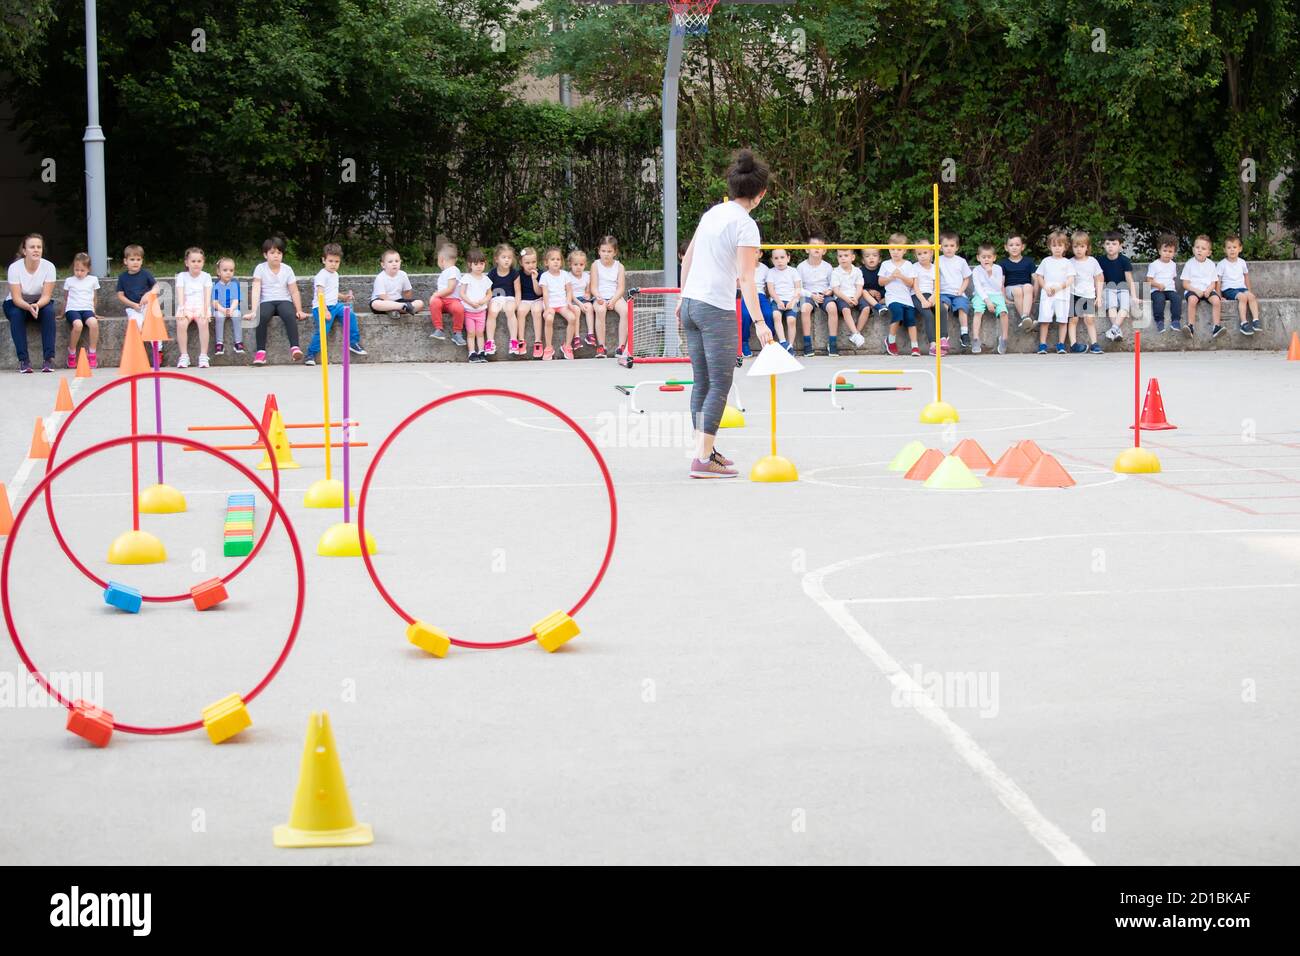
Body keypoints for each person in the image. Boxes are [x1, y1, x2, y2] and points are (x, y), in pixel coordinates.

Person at [677, 148, 771, 479]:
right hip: (714, 309)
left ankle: (704, 451)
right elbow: (746, 278)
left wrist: (681, 296)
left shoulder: (713, 214)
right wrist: (759, 321)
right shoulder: (746, 226)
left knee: (701, 382)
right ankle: (702, 459)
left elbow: (687, 258)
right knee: (720, 383)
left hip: (690, 304)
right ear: (760, 194)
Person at [246, 236, 307, 365]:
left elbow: (294, 291)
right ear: (265, 254)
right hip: (267, 301)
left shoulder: (287, 269)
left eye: (279, 253)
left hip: (284, 300)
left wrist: (299, 310)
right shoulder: (260, 268)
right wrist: (253, 310)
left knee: (290, 315)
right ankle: (261, 352)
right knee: (261, 316)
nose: (276, 256)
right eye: (272, 253)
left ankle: (295, 348)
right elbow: (256, 289)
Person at [6, 233, 58, 372]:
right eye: (32, 247)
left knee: (49, 312)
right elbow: (16, 298)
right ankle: (24, 361)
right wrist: (28, 307)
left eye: (39, 247)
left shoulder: (49, 267)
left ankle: (48, 360)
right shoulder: (14, 268)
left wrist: (37, 305)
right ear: (24, 251)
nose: (36, 250)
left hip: (39, 302)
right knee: (16, 315)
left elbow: (47, 296)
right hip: (18, 303)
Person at [304, 242, 362, 365]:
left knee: (349, 314)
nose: (333, 264)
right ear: (323, 260)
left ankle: (353, 342)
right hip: (321, 306)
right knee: (323, 331)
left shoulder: (335, 274)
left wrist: (344, 297)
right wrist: (325, 311)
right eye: (330, 261)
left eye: (336, 262)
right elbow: (321, 294)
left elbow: (332, 292)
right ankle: (310, 354)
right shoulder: (322, 275)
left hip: (335, 305)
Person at [1034, 231, 1075, 353]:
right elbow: (1039, 276)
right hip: (1047, 295)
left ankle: (1061, 344)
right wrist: (1045, 287)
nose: (1057, 248)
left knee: (1062, 320)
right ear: (1049, 247)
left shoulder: (1067, 262)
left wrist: (1060, 287)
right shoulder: (1046, 261)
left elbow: (1070, 279)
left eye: (1060, 245)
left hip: (1062, 296)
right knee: (1045, 320)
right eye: (1054, 245)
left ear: (1065, 247)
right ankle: (1042, 344)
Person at [878, 234, 920, 356]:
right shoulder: (886, 264)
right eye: (892, 249)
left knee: (911, 320)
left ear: (905, 250)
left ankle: (915, 346)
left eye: (899, 249)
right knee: (897, 313)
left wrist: (901, 276)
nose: (895, 252)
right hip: (892, 298)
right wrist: (891, 277)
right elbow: (880, 282)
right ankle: (890, 341)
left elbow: (911, 283)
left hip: (906, 298)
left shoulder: (908, 265)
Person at [174, 246, 212, 369]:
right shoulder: (182, 276)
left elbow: (207, 295)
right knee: (181, 323)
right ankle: (184, 356)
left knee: (203, 322)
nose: (196, 264)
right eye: (193, 261)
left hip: (201, 306)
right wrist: (182, 308)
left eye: (199, 261)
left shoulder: (206, 276)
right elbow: (180, 294)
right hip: (187, 307)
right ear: (187, 263)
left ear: (203, 262)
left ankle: (203, 355)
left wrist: (206, 310)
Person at [796, 236, 832, 357]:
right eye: (814, 245)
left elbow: (833, 284)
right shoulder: (801, 267)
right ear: (807, 249)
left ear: (824, 250)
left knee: (832, 307)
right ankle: (807, 344)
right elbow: (798, 288)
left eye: (820, 245)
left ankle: (832, 343)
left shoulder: (827, 266)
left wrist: (829, 291)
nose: (817, 248)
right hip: (808, 294)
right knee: (805, 308)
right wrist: (811, 295)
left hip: (823, 294)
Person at [537, 246, 576, 360]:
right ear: (546, 262)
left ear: (561, 262)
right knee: (549, 319)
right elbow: (545, 293)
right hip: (550, 305)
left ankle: (567, 346)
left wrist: (568, 302)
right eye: (552, 259)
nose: (555, 261)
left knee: (572, 318)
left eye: (558, 259)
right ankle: (549, 347)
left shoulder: (564, 274)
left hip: (562, 304)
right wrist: (547, 307)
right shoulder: (545, 276)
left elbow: (569, 290)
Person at [969, 243, 1009, 354]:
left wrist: (990, 273)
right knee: (978, 311)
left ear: (994, 258)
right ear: (978, 258)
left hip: (996, 294)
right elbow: (978, 287)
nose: (986, 259)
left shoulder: (998, 269)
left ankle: (1004, 338)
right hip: (980, 295)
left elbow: (998, 286)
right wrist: (987, 301)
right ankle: (976, 339)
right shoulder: (976, 270)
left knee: (1003, 312)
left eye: (989, 257)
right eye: (983, 257)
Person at [62, 252, 100, 368]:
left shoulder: (93, 280)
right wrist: (61, 313)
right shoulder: (69, 281)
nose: (79, 273)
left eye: (82, 270)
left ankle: (92, 353)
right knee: (78, 325)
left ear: (88, 269)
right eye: (76, 270)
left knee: (93, 323)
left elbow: (94, 297)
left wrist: (94, 312)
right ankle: (72, 352)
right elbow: (66, 298)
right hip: (72, 309)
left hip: (87, 309)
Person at [1218, 235, 1261, 335]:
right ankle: (1243, 323)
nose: (1232, 250)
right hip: (1229, 289)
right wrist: (1219, 295)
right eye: (1229, 248)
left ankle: (1255, 320)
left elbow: (1246, 277)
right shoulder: (1222, 264)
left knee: (1251, 296)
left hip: (1241, 288)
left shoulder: (1242, 262)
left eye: (1234, 247)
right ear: (1224, 250)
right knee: (1242, 297)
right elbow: (1218, 281)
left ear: (1240, 248)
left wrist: (1248, 290)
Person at [937, 232, 973, 351]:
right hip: (943, 292)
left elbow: (966, 278)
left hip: (958, 293)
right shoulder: (938, 260)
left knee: (962, 307)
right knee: (944, 307)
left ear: (957, 247)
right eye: (946, 246)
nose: (949, 248)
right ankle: (944, 335)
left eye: (952, 246)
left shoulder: (961, 261)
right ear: (940, 247)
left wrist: (961, 290)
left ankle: (964, 334)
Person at [1180, 234, 1222, 338]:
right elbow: (1185, 284)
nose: (1199, 250)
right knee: (1192, 300)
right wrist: (1195, 290)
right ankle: (1190, 326)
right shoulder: (1189, 264)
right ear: (1193, 249)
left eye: (1203, 249)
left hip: (1207, 290)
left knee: (1216, 301)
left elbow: (1214, 282)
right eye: (1197, 247)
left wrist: (1209, 290)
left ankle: (1216, 327)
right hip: (1193, 289)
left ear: (1209, 253)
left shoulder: (1211, 264)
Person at [1099, 231, 1136, 342]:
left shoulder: (1124, 260)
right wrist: (1099, 295)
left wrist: (1133, 296)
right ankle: (1117, 330)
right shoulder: (1101, 261)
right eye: (1108, 244)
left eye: (1114, 244)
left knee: (1125, 306)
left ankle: (1113, 329)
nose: (1111, 246)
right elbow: (1099, 279)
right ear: (1103, 245)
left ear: (1120, 246)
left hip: (1123, 288)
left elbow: (1129, 280)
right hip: (1108, 288)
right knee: (1112, 306)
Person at [591, 236, 625, 359]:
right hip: (600, 296)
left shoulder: (619, 266)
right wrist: (598, 297)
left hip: (615, 297)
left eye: (609, 251)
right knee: (600, 310)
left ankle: (621, 346)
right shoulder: (595, 265)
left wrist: (614, 300)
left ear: (615, 252)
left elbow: (621, 288)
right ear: (599, 251)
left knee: (626, 311)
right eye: (603, 251)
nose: (606, 254)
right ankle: (601, 346)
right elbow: (593, 286)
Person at [828, 248, 865, 354]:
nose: (843, 258)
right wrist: (847, 299)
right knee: (845, 310)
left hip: (855, 296)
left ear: (852, 257)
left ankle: (856, 333)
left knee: (866, 308)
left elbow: (859, 287)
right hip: (842, 297)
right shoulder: (836, 272)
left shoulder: (857, 271)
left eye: (846, 255)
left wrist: (856, 298)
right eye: (840, 256)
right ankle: (856, 334)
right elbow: (836, 290)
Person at [459, 248, 493, 362]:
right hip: (469, 311)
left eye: (482, 263)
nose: (479, 266)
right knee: (471, 333)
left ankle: (481, 352)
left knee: (480, 333)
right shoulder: (466, 278)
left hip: (481, 312)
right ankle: (472, 353)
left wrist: (484, 301)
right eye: (476, 264)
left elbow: (489, 293)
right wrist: (471, 302)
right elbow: (462, 293)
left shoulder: (486, 279)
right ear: (470, 265)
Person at [998, 234, 1036, 331]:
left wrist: (1035, 295)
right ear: (1006, 248)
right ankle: (1025, 318)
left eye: (1017, 245)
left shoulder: (1029, 261)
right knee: (1017, 290)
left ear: (1022, 247)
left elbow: (1036, 280)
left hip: (1026, 290)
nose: (1014, 247)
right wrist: (1005, 298)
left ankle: (1025, 319)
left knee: (1028, 286)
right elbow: (1000, 283)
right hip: (1011, 289)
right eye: (1011, 245)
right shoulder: (1003, 263)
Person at [487, 244, 520, 356]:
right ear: (497, 259)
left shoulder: (514, 273)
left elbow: (518, 291)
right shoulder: (492, 273)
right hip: (495, 299)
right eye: (504, 257)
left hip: (509, 298)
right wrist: (487, 302)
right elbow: (488, 291)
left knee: (510, 310)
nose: (507, 260)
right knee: (492, 312)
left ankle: (514, 341)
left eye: (509, 258)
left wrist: (517, 303)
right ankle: (490, 342)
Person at [115, 244, 157, 332]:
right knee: (137, 324)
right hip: (132, 308)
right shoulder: (122, 277)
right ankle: (138, 344)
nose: (135, 262)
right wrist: (133, 305)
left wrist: (148, 294)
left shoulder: (146, 274)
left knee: (153, 323)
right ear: (125, 261)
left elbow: (156, 287)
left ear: (142, 261)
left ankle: (157, 345)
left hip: (147, 306)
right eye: (132, 259)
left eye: (138, 259)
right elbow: (120, 295)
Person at [765, 248, 799, 353]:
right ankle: (783, 342)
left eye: (782, 257)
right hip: (777, 299)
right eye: (776, 258)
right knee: (776, 315)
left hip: (792, 299)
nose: (779, 260)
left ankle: (791, 346)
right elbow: (771, 290)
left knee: (791, 320)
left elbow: (798, 288)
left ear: (788, 258)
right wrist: (778, 301)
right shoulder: (771, 272)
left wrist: (793, 301)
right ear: (772, 260)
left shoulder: (793, 271)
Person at [428, 243, 464, 344]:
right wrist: (437, 296)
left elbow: (450, 289)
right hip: (442, 301)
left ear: (441, 259)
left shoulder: (453, 270)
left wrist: (436, 294)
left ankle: (457, 332)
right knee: (434, 302)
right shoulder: (445, 272)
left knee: (459, 308)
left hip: (453, 301)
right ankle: (439, 329)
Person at [1145, 235, 1181, 333]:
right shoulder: (1154, 265)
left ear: (1174, 253)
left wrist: (1171, 288)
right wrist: (1157, 285)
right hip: (1157, 290)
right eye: (1165, 251)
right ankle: (1159, 321)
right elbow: (1148, 280)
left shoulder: (1173, 265)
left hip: (1169, 290)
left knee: (1177, 298)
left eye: (1170, 251)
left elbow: (1173, 278)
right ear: (1159, 251)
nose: (1167, 254)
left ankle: (1176, 321)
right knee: (1160, 300)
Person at [211, 257, 245, 357]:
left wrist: (231, 309)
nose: (228, 273)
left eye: (231, 270)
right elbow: (214, 302)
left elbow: (236, 300)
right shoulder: (216, 286)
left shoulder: (234, 285)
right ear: (218, 271)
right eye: (225, 270)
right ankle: (219, 343)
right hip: (219, 309)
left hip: (232, 308)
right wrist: (222, 309)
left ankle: (238, 342)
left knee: (237, 315)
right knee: (219, 316)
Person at [516, 247, 544, 357]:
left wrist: (534, 279)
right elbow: (518, 291)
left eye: (533, 262)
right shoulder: (518, 274)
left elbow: (538, 292)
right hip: (525, 300)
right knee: (521, 311)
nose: (531, 265)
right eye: (527, 262)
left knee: (536, 311)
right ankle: (521, 340)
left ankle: (538, 341)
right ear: (521, 263)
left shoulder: (540, 273)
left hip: (538, 299)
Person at [567, 249, 595, 354]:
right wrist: (579, 304)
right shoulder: (568, 276)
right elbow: (570, 294)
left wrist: (587, 294)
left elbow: (588, 290)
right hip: (572, 299)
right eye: (575, 264)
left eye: (581, 264)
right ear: (570, 264)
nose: (578, 267)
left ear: (585, 265)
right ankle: (576, 337)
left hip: (582, 299)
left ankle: (590, 334)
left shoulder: (587, 276)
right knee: (577, 310)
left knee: (590, 307)